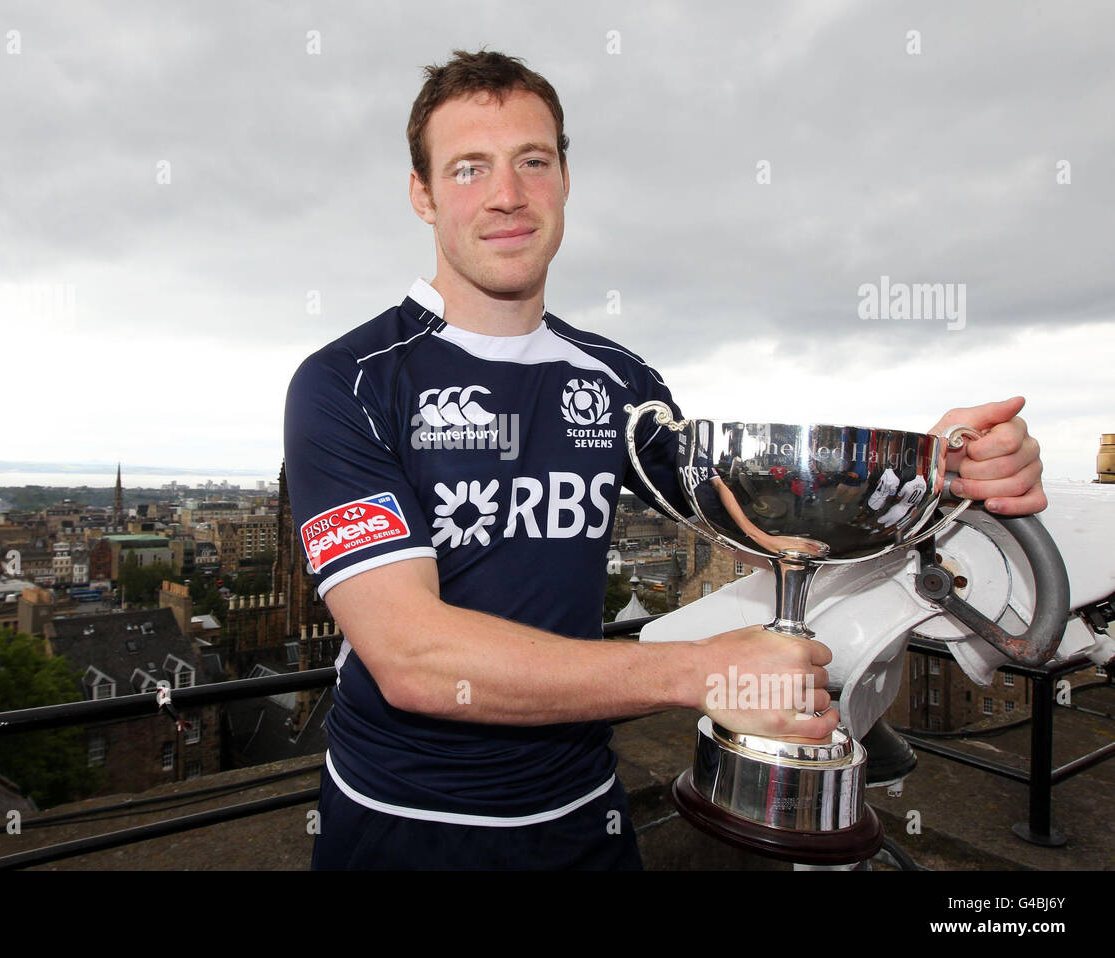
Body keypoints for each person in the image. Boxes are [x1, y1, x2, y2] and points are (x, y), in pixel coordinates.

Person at [282, 50, 1045, 870]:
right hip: (400, 827)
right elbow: (411, 657)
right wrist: (699, 670)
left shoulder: (619, 380)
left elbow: (761, 507)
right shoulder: (346, 383)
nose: (507, 195)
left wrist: (935, 468)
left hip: (584, 819)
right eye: (470, 168)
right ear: (423, 195)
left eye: (532, 161)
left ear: (565, 179)